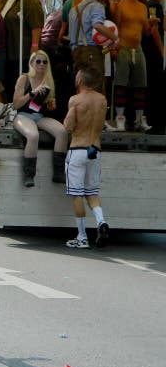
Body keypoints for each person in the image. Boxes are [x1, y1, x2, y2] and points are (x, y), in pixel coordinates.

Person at [63, 67, 110, 249]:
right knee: (92, 193)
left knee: (77, 195)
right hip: (94, 149)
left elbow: (68, 125)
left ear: (80, 81)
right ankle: (101, 221)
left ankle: (82, 237)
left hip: (78, 148)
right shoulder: (102, 100)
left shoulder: (75, 100)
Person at [11, 50, 69, 187]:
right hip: (23, 116)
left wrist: (51, 105)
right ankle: (29, 175)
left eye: (45, 61)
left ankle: (59, 173)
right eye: (38, 61)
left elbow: (47, 107)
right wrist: (31, 94)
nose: (41, 64)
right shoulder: (24, 78)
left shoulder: (48, 80)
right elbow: (15, 104)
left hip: (39, 116)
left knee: (62, 132)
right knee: (33, 136)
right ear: (31, 63)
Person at [108, 0, 151, 132]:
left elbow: (145, 30)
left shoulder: (143, 7)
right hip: (123, 47)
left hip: (137, 49)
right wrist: (113, 48)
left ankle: (139, 119)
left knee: (141, 85)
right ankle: (120, 118)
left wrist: (153, 24)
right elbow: (115, 26)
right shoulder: (121, 5)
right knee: (121, 84)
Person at [0, 0, 45, 99]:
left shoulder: (29, 1)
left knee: (20, 83)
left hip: (21, 51)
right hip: (8, 50)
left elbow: (36, 25)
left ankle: (21, 110)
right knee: (9, 83)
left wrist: (34, 45)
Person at [69, 0, 119, 78]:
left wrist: (108, 48)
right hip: (91, 52)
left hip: (76, 52)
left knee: (81, 84)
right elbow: (97, 25)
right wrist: (115, 39)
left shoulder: (74, 10)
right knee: (94, 85)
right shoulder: (97, 6)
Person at [142, 0, 165, 134]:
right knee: (156, 87)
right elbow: (155, 30)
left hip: (153, 52)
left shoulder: (158, 5)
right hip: (154, 53)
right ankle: (156, 122)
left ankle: (156, 122)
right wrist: (163, 51)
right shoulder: (153, 5)